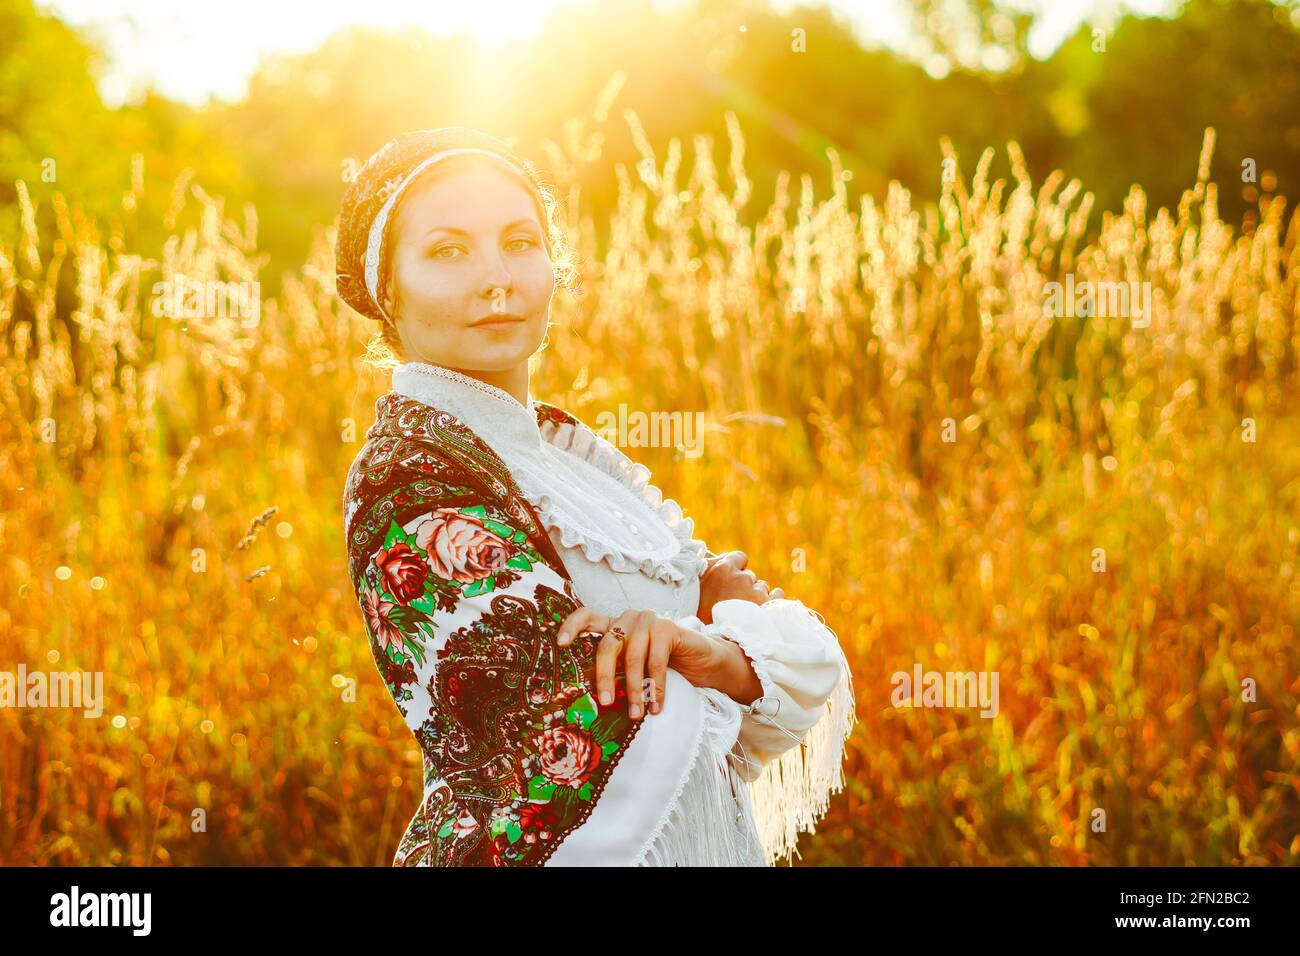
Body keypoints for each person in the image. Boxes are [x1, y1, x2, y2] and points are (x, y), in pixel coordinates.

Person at [336, 126, 855, 866]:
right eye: (448, 250)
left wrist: (709, 650)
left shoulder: (567, 456)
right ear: (387, 289)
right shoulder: (411, 477)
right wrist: (718, 649)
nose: (498, 277)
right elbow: (593, 735)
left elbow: (806, 660)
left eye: (520, 241)